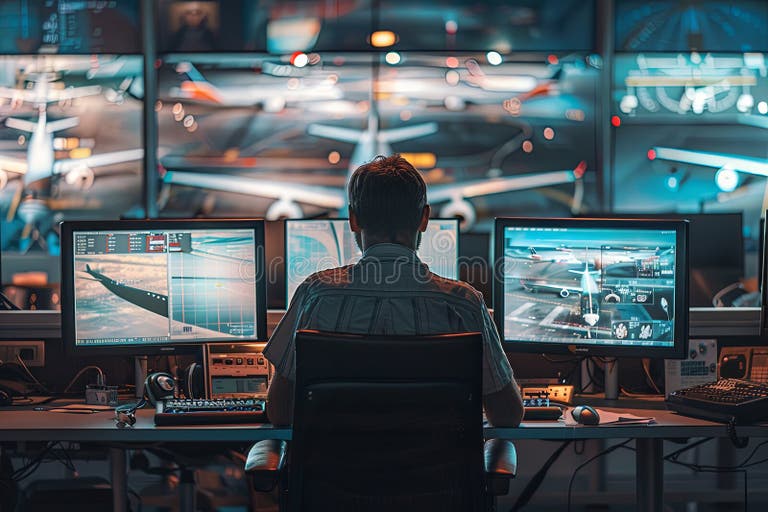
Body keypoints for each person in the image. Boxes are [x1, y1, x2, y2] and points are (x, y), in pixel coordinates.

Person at [264, 154, 524, 427]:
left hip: (336, 468)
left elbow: (280, 413)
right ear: (425, 218)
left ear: (353, 219)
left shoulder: (315, 296)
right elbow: (508, 416)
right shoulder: (465, 305)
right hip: (436, 470)